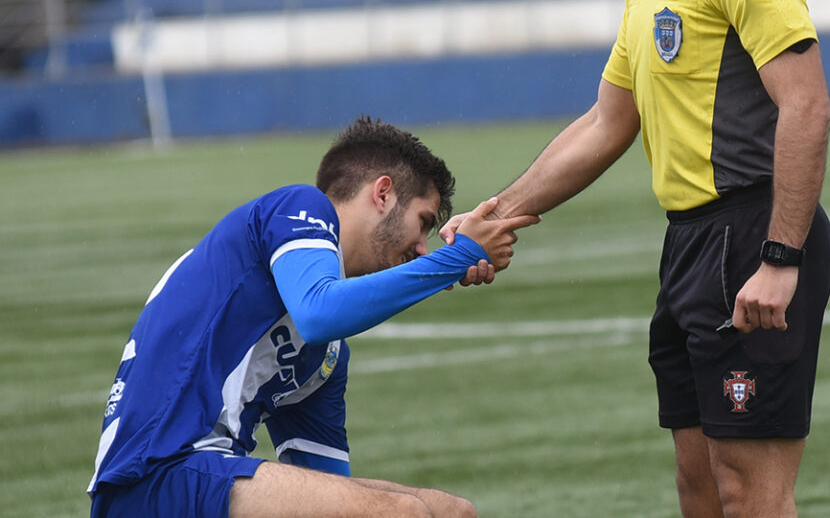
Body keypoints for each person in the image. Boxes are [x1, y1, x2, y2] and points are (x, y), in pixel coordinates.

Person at [441, 0, 830, 518]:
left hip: (753, 236)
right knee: (699, 489)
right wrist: (497, 212)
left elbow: (808, 106)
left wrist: (781, 257)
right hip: (689, 244)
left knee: (749, 493)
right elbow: (604, 122)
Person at [87, 115, 538, 518]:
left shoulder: (326, 356)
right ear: (382, 193)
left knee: (450, 512)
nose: (423, 246)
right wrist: (457, 260)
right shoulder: (298, 207)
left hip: (206, 480)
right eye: (423, 222)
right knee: (401, 515)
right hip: (157, 473)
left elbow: (326, 485)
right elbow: (321, 311)